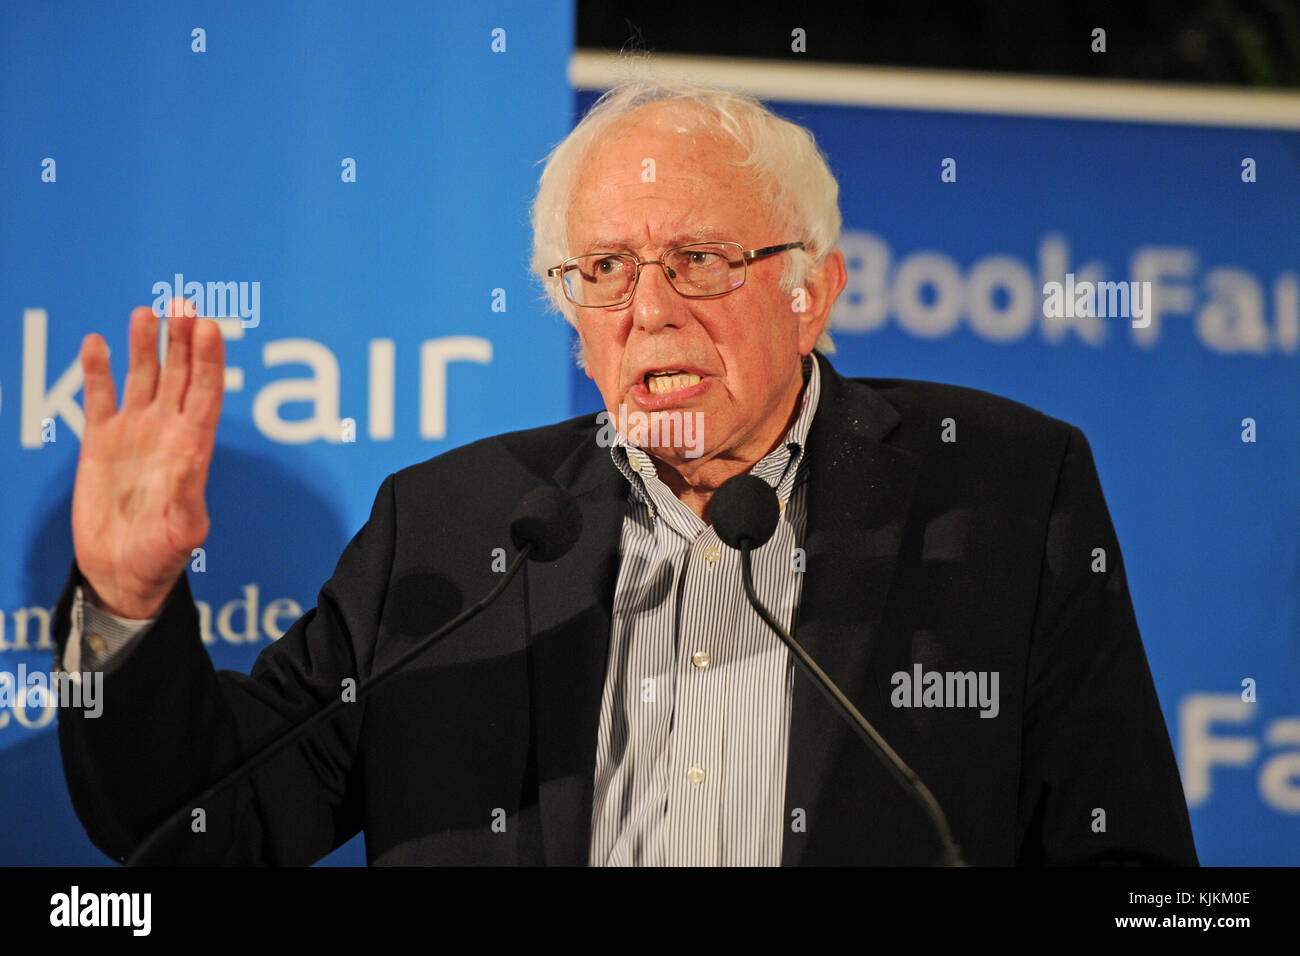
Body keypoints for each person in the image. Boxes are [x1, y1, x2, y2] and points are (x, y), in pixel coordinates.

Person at [54, 81, 1198, 866]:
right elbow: (199, 824)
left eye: (699, 259)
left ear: (812, 289)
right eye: (603, 268)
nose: (649, 310)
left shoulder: (998, 486)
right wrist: (127, 605)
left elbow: (1125, 854)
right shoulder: (451, 528)